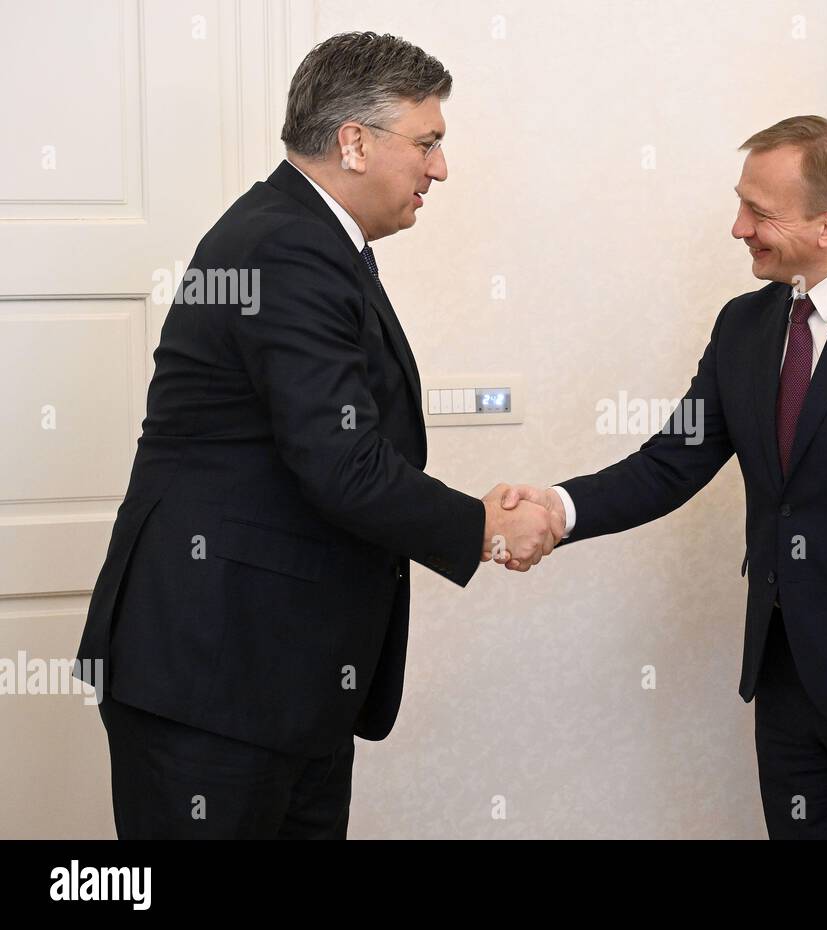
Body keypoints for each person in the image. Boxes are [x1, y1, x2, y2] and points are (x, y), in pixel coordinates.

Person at [75, 32, 561, 839]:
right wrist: (482, 526)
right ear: (354, 142)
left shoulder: (314, 241)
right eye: (429, 143)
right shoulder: (285, 246)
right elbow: (342, 464)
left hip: (278, 679)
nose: (440, 169)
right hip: (214, 679)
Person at [501, 116, 827, 839]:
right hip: (785, 678)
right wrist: (556, 507)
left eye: (758, 213)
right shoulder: (743, 325)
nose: (738, 227)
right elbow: (669, 462)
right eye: (741, 204)